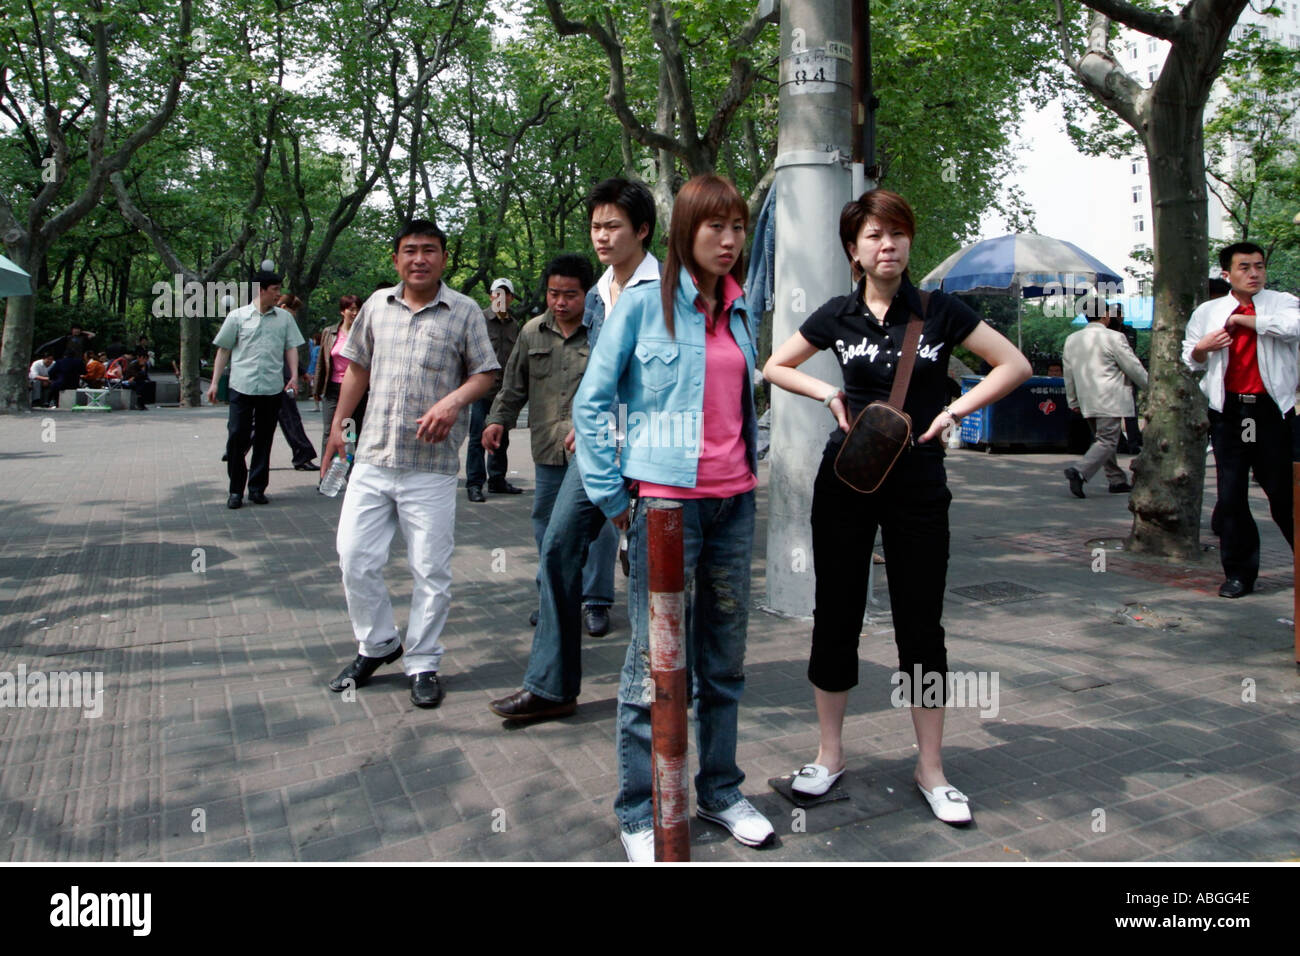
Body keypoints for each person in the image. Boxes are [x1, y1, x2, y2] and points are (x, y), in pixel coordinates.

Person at [763, 189, 1031, 824]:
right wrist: (829, 392)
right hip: (847, 480)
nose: (889, 245)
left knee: (921, 622)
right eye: (875, 236)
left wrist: (955, 409)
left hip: (918, 483)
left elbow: (1013, 364)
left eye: (898, 234)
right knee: (836, 613)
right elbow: (775, 365)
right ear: (854, 250)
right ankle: (829, 755)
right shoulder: (837, 315)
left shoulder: (940, 311)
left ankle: (930, 766)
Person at [575, 174, 771, 861]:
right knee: (651, 668)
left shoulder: (742, 310)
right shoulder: (642, 308)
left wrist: (751, 461)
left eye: (738, 227)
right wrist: (614, 501)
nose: (728, 239)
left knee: (724, 661)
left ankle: (719, 790)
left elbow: (746, 407)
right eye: (714, 227)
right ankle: (639, 810)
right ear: (685, 231)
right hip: (662, 510)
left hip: (734, 505)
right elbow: (591, 405)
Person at [488, 176, 658, 724]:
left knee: (661, 569)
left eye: (613, 225)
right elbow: (599, 372)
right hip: (600, 450)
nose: (602, 236)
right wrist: (587, 419)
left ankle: (665, 682)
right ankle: (552, 686)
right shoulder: (599, 296)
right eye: (596, 226)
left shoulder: (667, 288)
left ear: (643, 230)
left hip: (658, 447)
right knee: (559, 545)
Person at [322, 219, 499, 709]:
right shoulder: (377, 305)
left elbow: (486, 372)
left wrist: (452, 403)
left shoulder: (463, 311)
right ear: (396, 258)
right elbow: (357, 368)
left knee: (430, 569)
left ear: (443, 257)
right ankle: (378, 644)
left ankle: (423, 661)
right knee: (354, 556)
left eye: (429, 250)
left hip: (431, 464)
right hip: (374, 457)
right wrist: (339, 426)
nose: (419, 259)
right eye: (409, 251)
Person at [482, 253, 618, 648]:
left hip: (595, 449)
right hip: (547, 447)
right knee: (547, 524)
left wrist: (603, 427)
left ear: (587, 294)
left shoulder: (605, 331)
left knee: (601, 528)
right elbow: (514, 386)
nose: (560, 302)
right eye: (554, 293)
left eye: (570, 295)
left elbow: (622, 390)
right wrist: (496, 421)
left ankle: (596, 599)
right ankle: (554, 597)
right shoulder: (531, 332)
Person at [1183, 241, 1300, 599]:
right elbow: (1191, 356)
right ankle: (1239, 575)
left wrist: (1241, 319)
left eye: (1259, 267)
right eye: (1245, 267)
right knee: (1231, 497)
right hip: (1230, 412)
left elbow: (1290, 329)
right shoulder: (1208, 310)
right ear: (1226, 273)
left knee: (1284, 494)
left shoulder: (1283, 302)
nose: (1254, 273)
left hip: (1273, 411)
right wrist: (1202, 348)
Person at [207, 270, 305, 508]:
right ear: (260, 290)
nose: (279, 295)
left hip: (272, 388)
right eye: (275, 290)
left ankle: (257, 489)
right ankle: (235, 491)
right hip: (242, 386)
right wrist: (213, 382)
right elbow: (224, 350)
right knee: (236, 438)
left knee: (264, 439)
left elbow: (291, 347)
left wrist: (293, 376)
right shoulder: (237, 317)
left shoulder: (284, 318)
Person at [1061, 295, 1148, 498]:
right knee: (1108, 441)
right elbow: (1133, 367)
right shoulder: (1114, 337)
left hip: (1086, 398)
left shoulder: (1072, 339)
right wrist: (1150, 385)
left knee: (1103, 440)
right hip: (1110, 397)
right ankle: (1080, 471)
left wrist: (1072, 400)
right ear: (1106, 315)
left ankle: (1116, 480)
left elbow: (1068, 373)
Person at [466, 278, 523, 501]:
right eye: (496, 293)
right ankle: (474, 483)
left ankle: (497, 480)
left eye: (505, 294)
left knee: (502, 436)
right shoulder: (478, 319)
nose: (501, 298)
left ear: (510, 298)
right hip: (481, 389)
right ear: (491, 296)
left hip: (504, 391)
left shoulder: (514, 325)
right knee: (477, 437)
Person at [314, 294, 368, 466]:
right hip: (333, 388)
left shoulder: (363, 332)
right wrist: (317, 389)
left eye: (358, 309)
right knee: (330, 431)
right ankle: (326, 472)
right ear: (342, 311)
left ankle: (350, 470)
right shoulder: (329, 333)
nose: (355, 313)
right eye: (351, 309)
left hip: (355, 389)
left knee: (351, 431)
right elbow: (322, 363)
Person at [273, 294, 318, 471]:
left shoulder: (276, 323)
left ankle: (236, 449)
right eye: (294, 311)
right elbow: (288, 351)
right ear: (284, 308)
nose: (295, 315)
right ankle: (302, 455)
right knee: (290, 418)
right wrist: (299, 373)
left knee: (260, 420)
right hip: (282, 380)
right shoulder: (282, 324)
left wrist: (300, 372)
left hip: (275, 378)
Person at [306, 332, 322, 411]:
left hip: (314, 371)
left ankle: (317, 406)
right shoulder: (321, 348)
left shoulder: (316, 349)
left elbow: (314, 360)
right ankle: (317, 405)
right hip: (315, 370)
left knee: (314, 388)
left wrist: (311, 372)